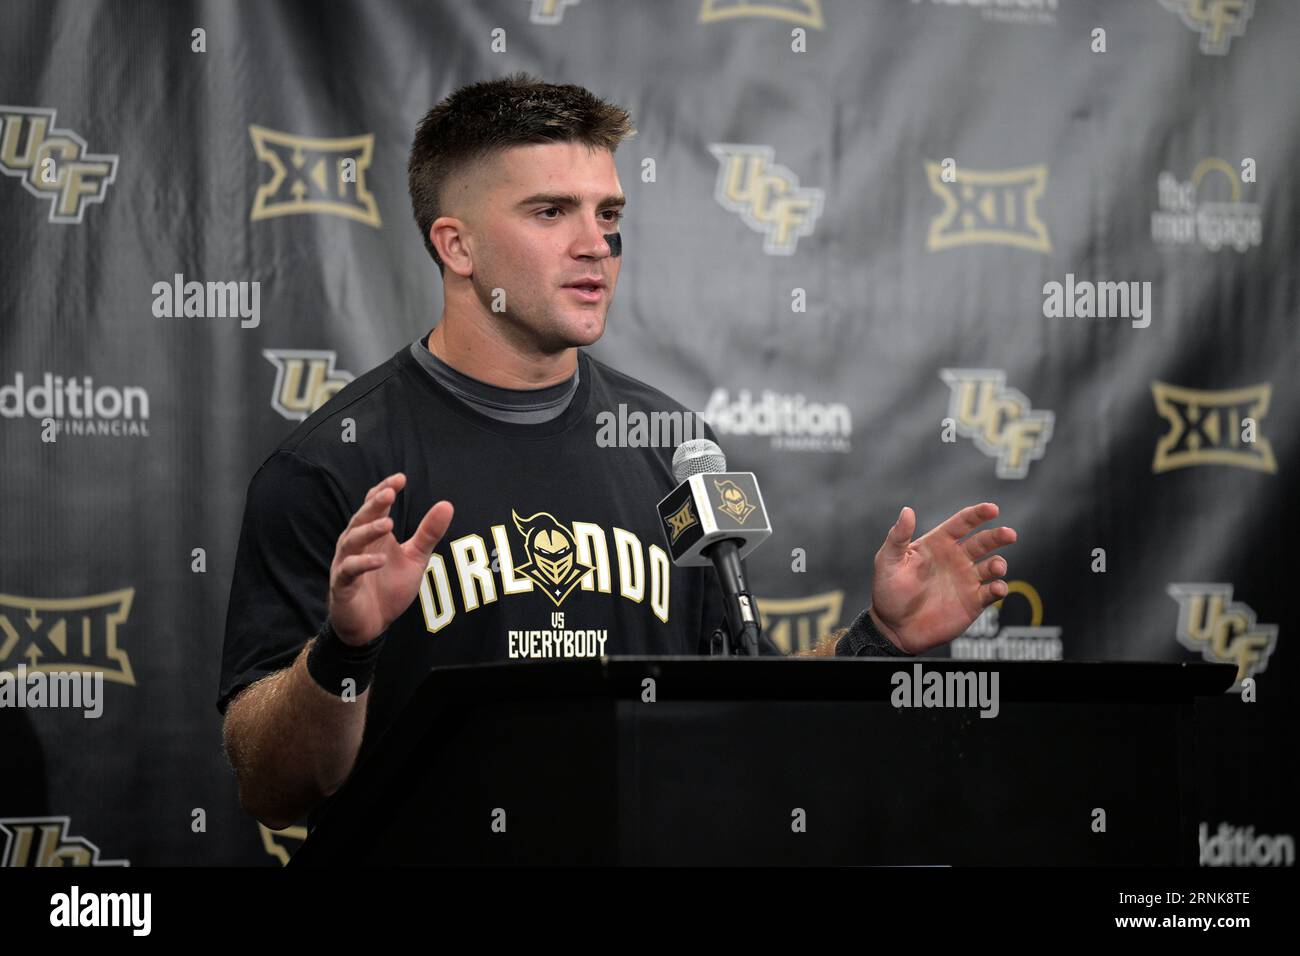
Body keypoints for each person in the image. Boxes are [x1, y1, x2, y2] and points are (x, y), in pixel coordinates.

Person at [217, 73, 1017, 831]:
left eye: (608, 213)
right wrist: (346, 651)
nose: (596, 243)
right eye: (550, 212)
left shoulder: (678, 446)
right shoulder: (331, 467)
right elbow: (272, 788)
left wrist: (879, 638)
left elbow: (741, 714)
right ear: (456, 247)